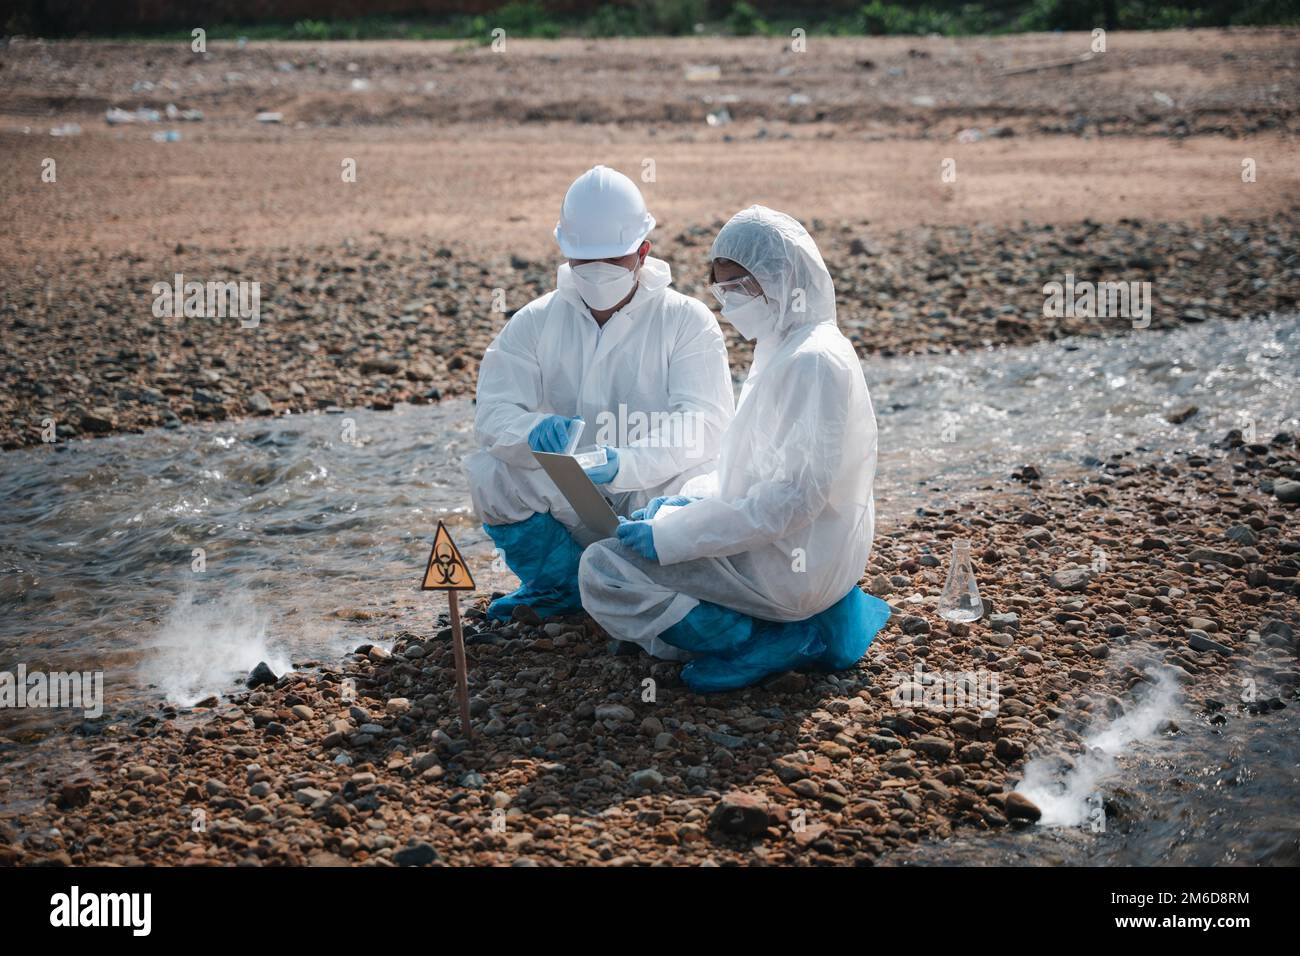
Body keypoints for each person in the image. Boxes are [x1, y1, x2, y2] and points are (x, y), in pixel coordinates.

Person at [579, 205, 890, 690]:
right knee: (660, 510)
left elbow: (793, 500)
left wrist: (672, 537)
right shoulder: (787, 346)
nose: (728, 303)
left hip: (796, 564)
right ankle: (799, 624)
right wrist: (685, 504)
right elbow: (752, 469)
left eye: (739, 288)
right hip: (805, 551)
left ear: (783, 278)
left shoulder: (811, 362)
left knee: (602, 568)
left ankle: (756, 640)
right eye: (722, 290)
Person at [464, 165, 735, 624]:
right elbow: (492, 413)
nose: (598, 273)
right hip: (575, 501)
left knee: (708, 487)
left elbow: (705, 425)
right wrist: (533, 431)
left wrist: (627, 462)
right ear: (565, 254)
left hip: (655, 497)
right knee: (491, 472)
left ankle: (665, 588)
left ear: (643, 252)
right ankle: (560, 586)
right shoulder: (535, 321)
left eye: (613, 260)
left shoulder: (686, 321)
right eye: (585, 261)